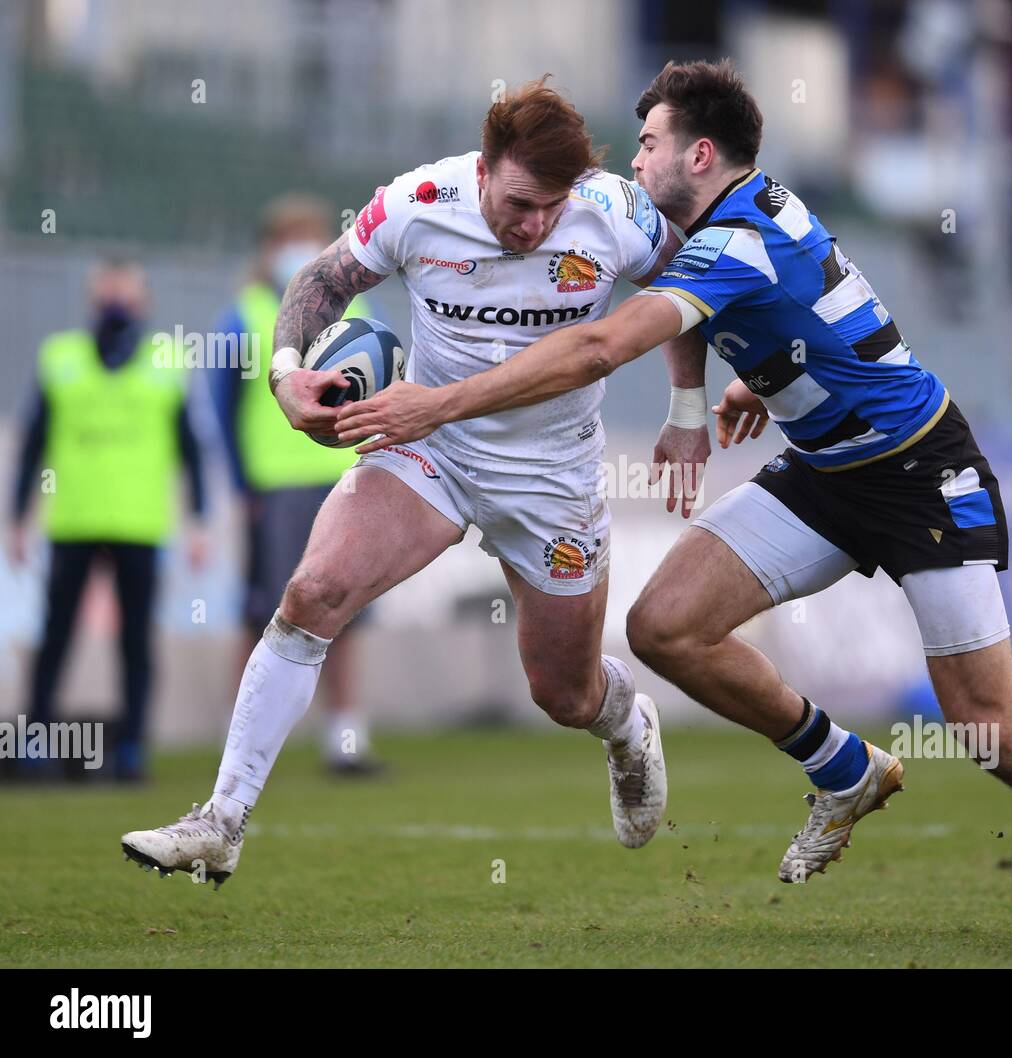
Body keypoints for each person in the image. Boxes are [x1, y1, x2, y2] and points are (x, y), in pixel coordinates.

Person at [333, 60, 1012, 940]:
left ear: (699, 154)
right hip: (827, 472)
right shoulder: (751, 213)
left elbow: (599, 348)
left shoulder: (730, 244)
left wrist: (435, 404)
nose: (634, 164)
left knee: (983, 727)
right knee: (664, 624)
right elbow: (815, 303)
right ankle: (841, 765)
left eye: (649, 144)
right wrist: (769, 379)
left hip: (919, 475)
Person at [121, 77, 712, 886]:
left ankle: (624, 724)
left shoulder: (614, 212)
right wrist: (286, 373)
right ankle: (221, 821)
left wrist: (686, 409)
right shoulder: (418, 201)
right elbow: (324, 281)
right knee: (313, 593)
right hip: (429, 447)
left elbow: (689, 291)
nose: (534, 224)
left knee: (563, 693)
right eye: (517, 202)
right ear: (483, 168)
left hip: (554, 478)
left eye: (550, 206)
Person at [8, 257, 208, 782]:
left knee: (136, 640)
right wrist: (17, 519)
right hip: (72, 520)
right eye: (109, 290)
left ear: (145, 301)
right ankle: (37, 741)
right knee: (56, 635)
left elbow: (190, 448)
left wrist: (199, 521)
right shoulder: (62, 357)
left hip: (139, 523)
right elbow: (34, 444)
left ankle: (130, 748)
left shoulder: (168, 360)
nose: (118, 301)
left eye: (127, 290)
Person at [210, 193, 382, 775]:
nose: (302, 251)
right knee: (265, 613)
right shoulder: (247, 314)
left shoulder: (350, 313)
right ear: (268, 248)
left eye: (312, 237)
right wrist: (244, 487)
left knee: (346, 613)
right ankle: (244, 745)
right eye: (291, 239)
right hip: (275, 490)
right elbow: (221, 406)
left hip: (346, 482)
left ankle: (346, 739)